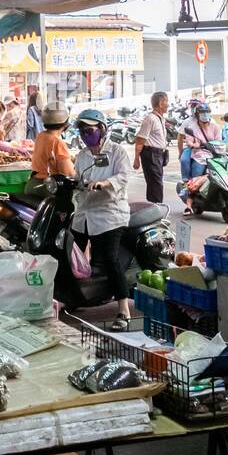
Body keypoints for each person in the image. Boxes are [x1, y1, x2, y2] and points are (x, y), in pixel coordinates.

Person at [70, 109, 133, 332]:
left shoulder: (117, 152)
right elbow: (77, 178)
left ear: (102, 130)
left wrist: (104, 183)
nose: (86, 135)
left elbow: (124, 176)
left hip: (110, 214)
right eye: (83, 131)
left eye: (90, 130)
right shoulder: (82, 156)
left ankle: (123, 311)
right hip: (85, 213)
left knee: (110, 259)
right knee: (70, 253)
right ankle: (73, 297)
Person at [26, 103, 74, 194]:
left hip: (32, 184)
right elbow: (68, 173)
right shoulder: (57, 142)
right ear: (65, 122)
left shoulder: (41, 136)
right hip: (47, 187)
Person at [132, 91, 169, 204]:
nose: (168, 104)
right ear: (161, 103)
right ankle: (157, 210)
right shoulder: (150, 119)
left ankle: (154, 209)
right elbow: (140, 140)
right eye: (166, 101)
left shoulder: (160, 118)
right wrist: (136, 159)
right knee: (155, 183)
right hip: (151, 154)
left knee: (156, 183)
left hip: (159, 154)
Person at [178, 103, 223, 181]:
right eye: (202, 112)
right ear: (197, 114)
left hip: (213, 155)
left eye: (207, 112)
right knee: (185, 162)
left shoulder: (215, 126)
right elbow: (188, 140)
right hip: (199, 156)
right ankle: (186, 183)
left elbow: (219, 141)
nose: (205, 114)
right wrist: (194, 145)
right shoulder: (190, 125)